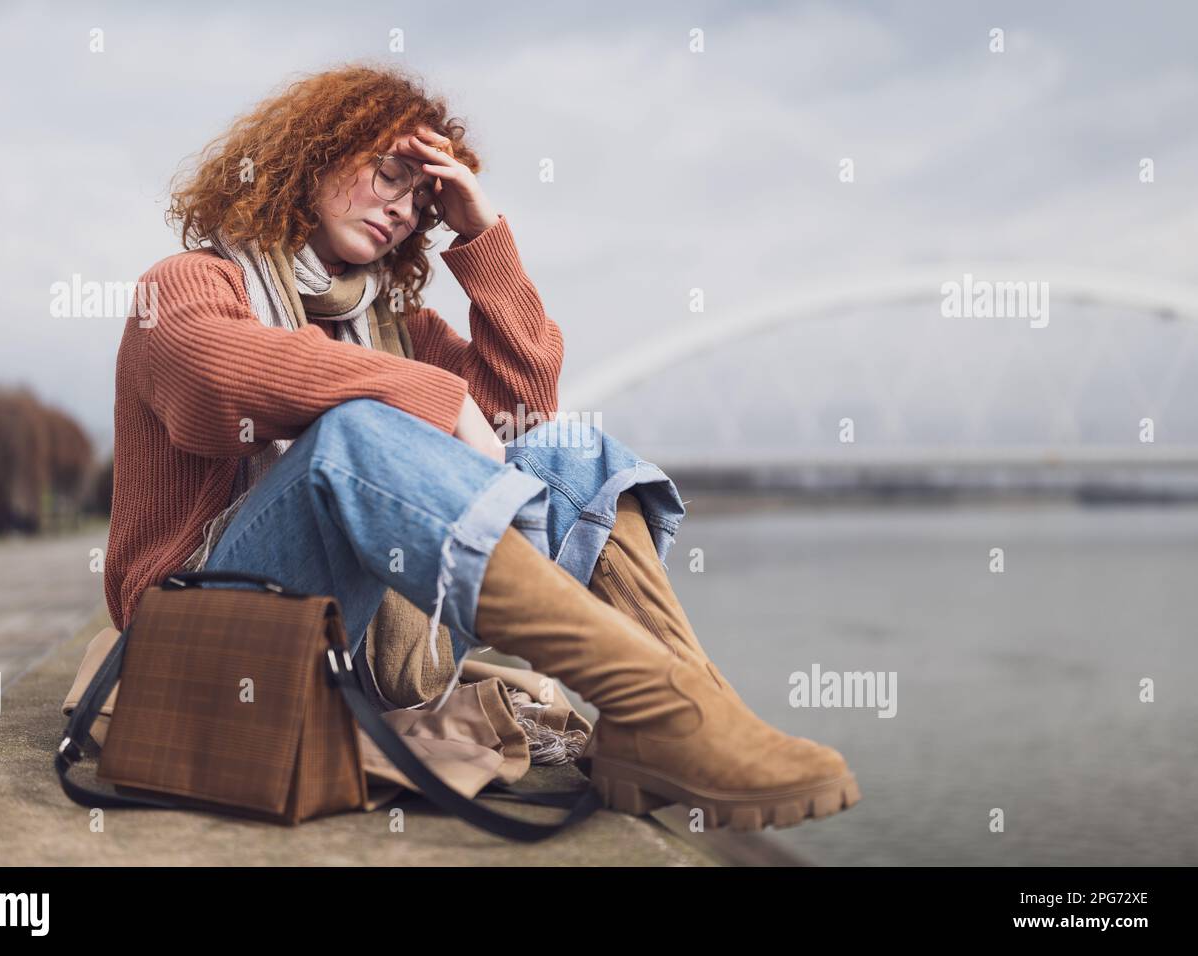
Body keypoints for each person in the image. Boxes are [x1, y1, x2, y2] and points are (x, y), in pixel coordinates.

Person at [104, 63, 859, 830]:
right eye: (390, 176)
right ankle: (661, 702)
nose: (402, 211)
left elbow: (524, 411)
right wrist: (438, 396)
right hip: (195, 648)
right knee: (356, 433)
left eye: (421, 205)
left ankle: (689, 720)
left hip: (343, 651)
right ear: (313, 156)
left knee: (571, 454)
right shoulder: (191, 283)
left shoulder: (393, 327)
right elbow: (212, 383)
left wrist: (481, 235)